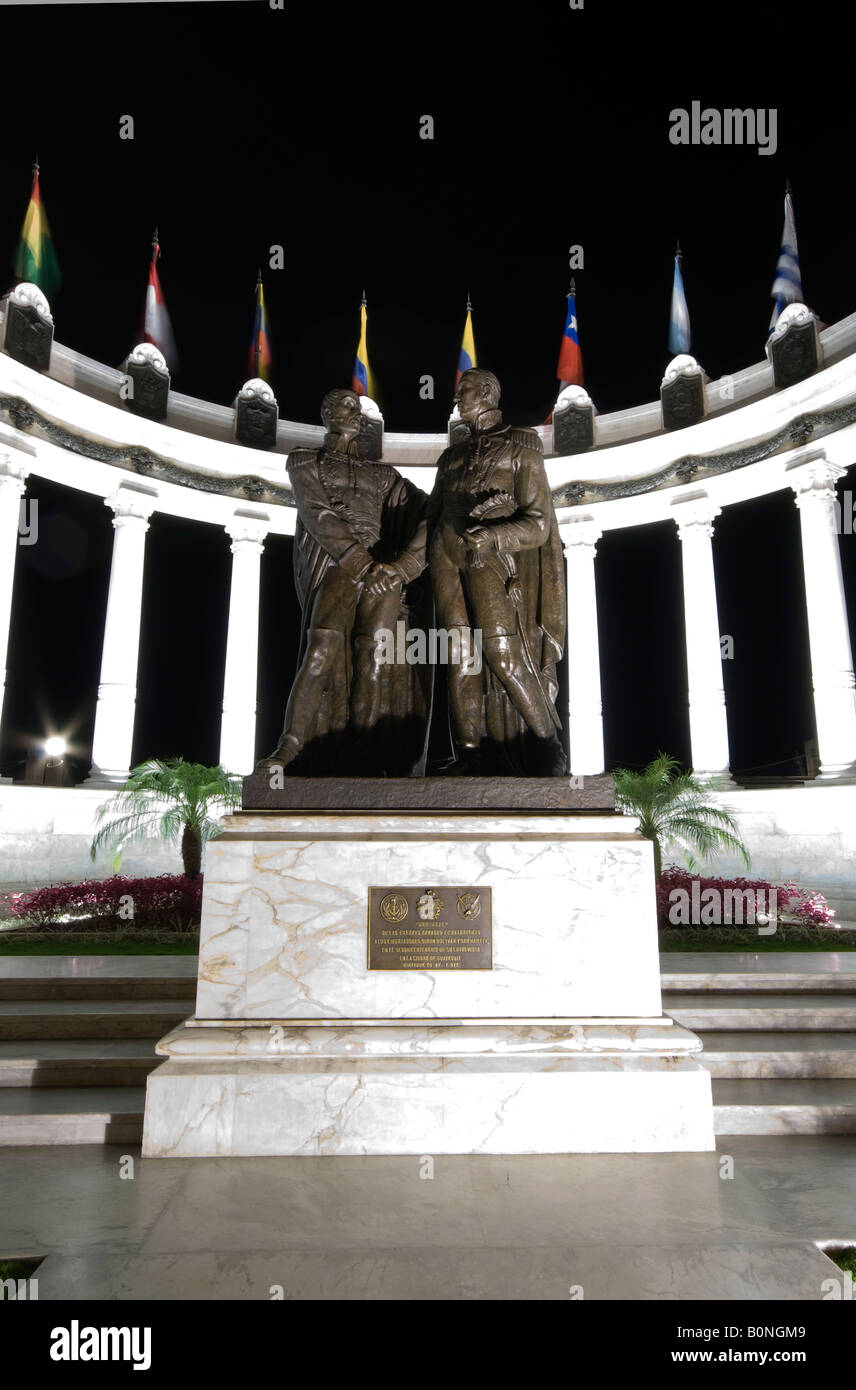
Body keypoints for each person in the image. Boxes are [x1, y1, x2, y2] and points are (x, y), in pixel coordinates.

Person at [257, 388, 430, 775]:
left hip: (382, 570)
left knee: (374, 655)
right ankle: (290, 746)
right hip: (341, 564)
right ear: (327, 413)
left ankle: (365, 750)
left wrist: (405, 565)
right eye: (347, 407)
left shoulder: (385, 474)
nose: (356, 415)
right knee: (321, 645)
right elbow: (318, 514)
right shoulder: (304, 460)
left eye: (358, 409)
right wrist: (361, 564)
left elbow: (429, 509)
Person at [427, 368, 567, 775]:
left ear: (487, 392)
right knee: (458, 656)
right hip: (444, 553)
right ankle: (470, 753)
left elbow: (539, 523)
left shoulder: (521, 446)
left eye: (464, 390)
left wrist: (494, 536)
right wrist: (400, 568)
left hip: (487, 554)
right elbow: (429, 519)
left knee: (502, 652)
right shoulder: (450, 457)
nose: (456, 397)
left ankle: (546, 746)